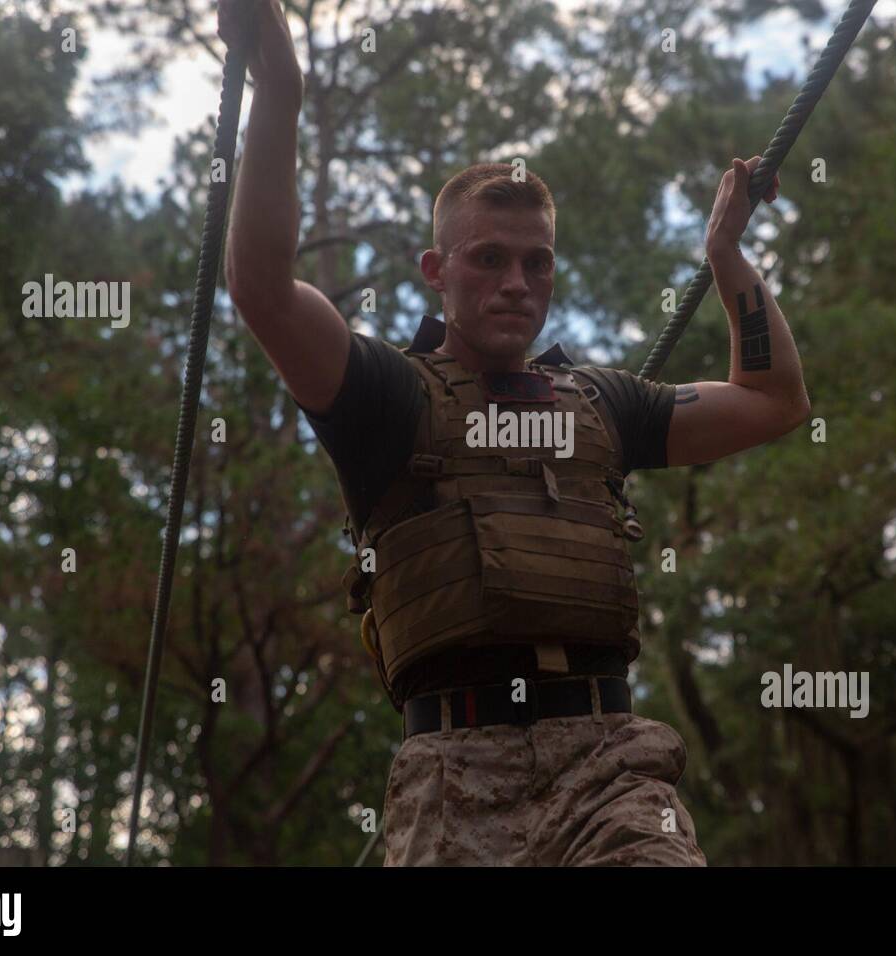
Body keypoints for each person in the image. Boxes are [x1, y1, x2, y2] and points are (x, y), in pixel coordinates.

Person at [219, 0, 809, 866]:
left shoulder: (604, 404)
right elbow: (263, 288)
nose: (514, 282)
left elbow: (773, 401)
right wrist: (282, 86)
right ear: (437, 272)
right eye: (487, 257)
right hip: (452, 781)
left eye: (535, 262)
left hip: (613, 773)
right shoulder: (386, 395)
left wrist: (727, 257)